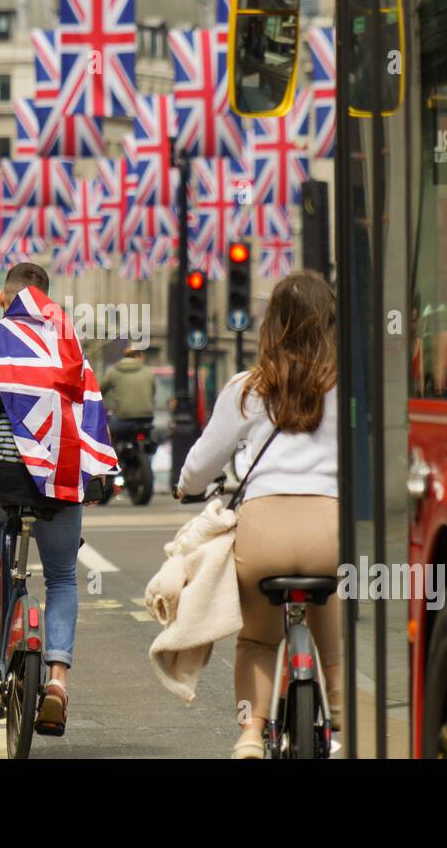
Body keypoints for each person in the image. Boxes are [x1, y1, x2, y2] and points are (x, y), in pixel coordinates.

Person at [0, 262, 113, 736]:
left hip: (0, 475)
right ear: (47, 300)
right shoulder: (70, 344)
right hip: (58, 481)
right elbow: (90, 414)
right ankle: (55, 683)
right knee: (63, 578)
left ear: (3, 299)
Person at [175, 271, 341, 759]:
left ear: (272, 326)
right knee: (331, 632)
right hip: (328, 530)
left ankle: (250, 733)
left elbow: (202, 463)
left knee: (257, 639)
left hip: (262, 532)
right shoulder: (346, 388)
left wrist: (186, 486)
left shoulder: (247, 388)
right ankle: (343, 731)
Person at [100, 346, 156, 441]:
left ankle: (113, 454)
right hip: (146, 418)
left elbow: (99, 392)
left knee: (107, 433)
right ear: (138, 356)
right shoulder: (148, 371)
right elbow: (153, 392)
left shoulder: (114, 372)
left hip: (122, 418)